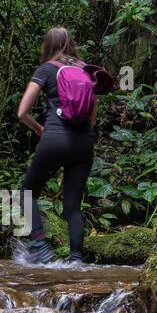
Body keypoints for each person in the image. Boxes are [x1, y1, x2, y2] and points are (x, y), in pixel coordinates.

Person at [15, 27, 96, 263]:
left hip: (54, 139)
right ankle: (76, 260)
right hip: (83, 143)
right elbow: (92, 114)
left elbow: (22, 112)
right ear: (71, 44)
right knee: (72, 207)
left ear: (47, 46)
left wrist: (39, 129)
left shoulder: (46, 69)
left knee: (27, 191)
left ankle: (40, 244)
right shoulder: (85, 71)